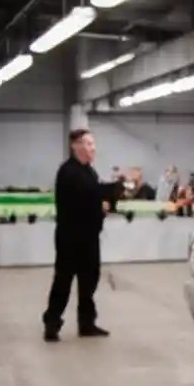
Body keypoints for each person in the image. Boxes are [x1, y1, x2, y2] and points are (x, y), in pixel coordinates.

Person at [42, 129, 111, 342]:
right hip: (71, 238)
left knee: (89, 280)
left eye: (93, 144)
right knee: (63, 281)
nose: (93, 148)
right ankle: (52, 324)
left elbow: (94, 194)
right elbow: (83, 200)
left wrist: (107, 197)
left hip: (89, 237)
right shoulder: (68, 172)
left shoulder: (89, 171)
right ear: (76, 146)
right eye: (89, 144)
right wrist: (102, 201)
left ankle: (86, 323)